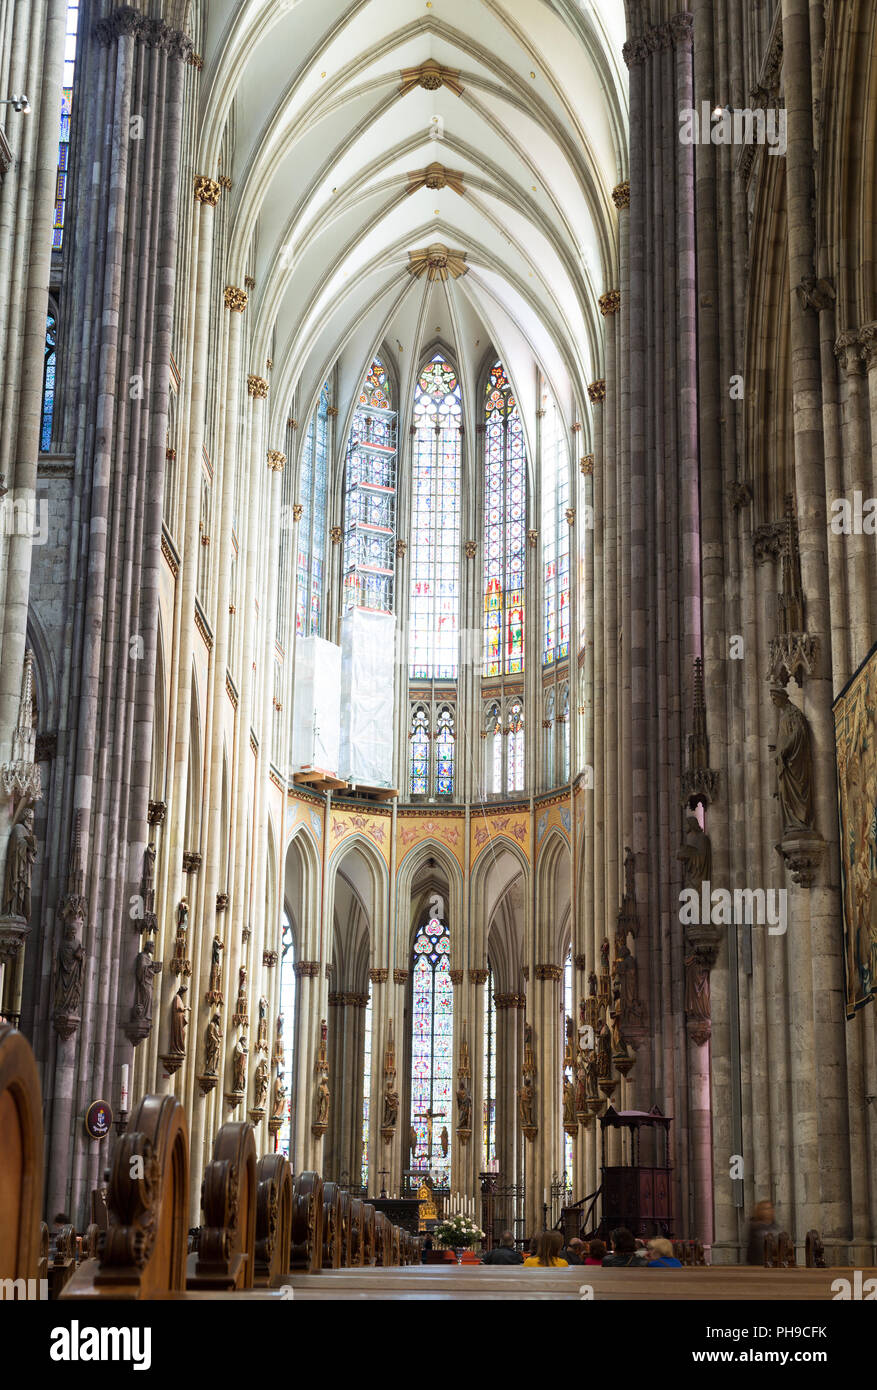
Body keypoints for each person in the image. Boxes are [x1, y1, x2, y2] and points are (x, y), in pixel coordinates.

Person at [746, 1199, 779, 1265]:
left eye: (770, 1208)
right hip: (759, 1264)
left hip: (775, 1264)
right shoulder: (755, 1227)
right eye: (766, 1208)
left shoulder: (776, 1227)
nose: (769, 1211)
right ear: (760, 1211)